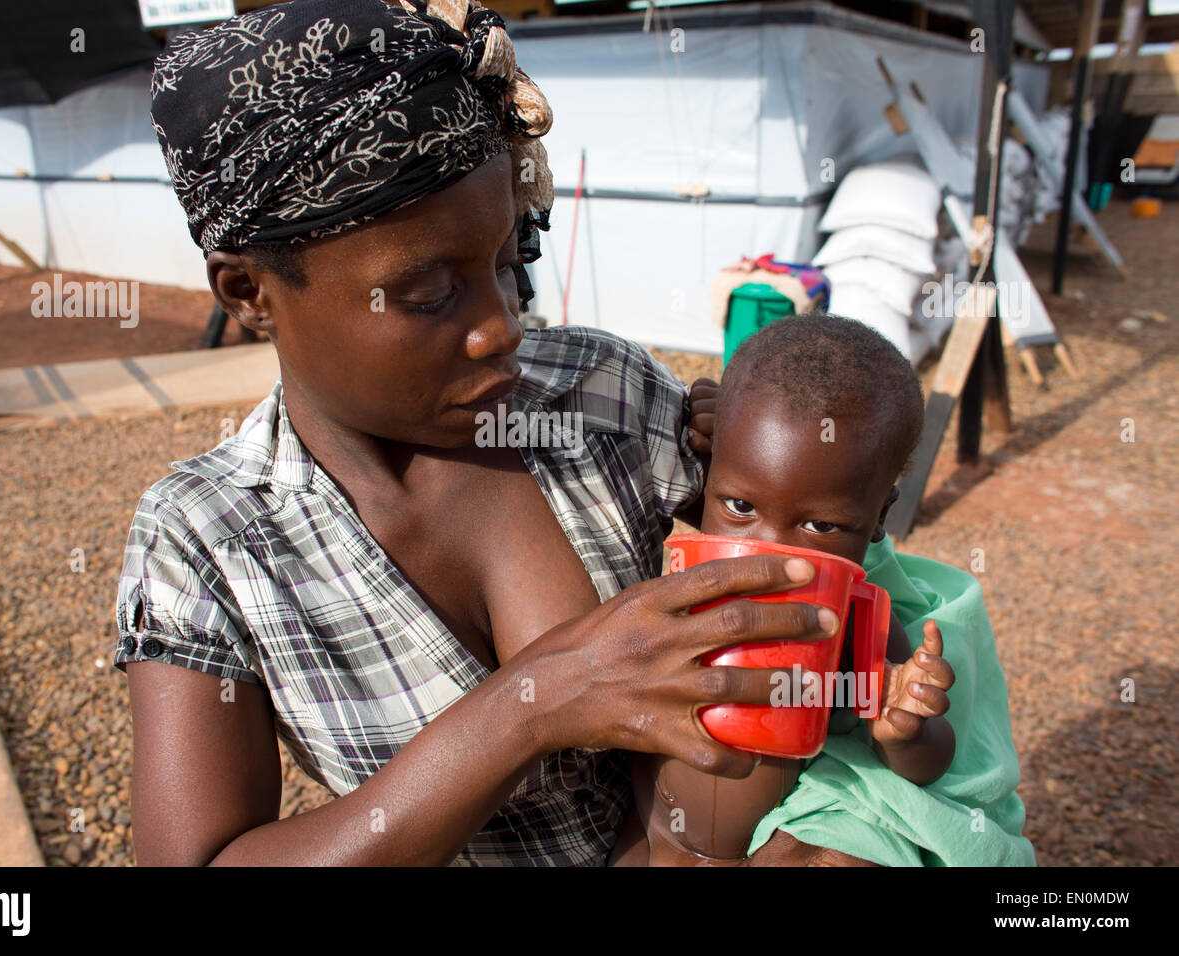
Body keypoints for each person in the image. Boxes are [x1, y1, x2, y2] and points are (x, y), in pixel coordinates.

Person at [113, 0, 848, 866]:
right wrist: (536, 703)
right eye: (427, 294)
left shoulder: (600, 396)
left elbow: (832, 571)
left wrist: (782, 446)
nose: (502, 326)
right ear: (248, 294)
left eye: (509, 262)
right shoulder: (209, 537)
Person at [612, 314, 1035, 867]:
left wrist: (905, 727)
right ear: (706, 480)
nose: (772, 550)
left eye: (820, 526)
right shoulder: (676, 590)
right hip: (651, 836)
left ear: (880, 515)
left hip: (760, 850)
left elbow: (930, 765)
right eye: (741, 507)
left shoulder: (850, 622)